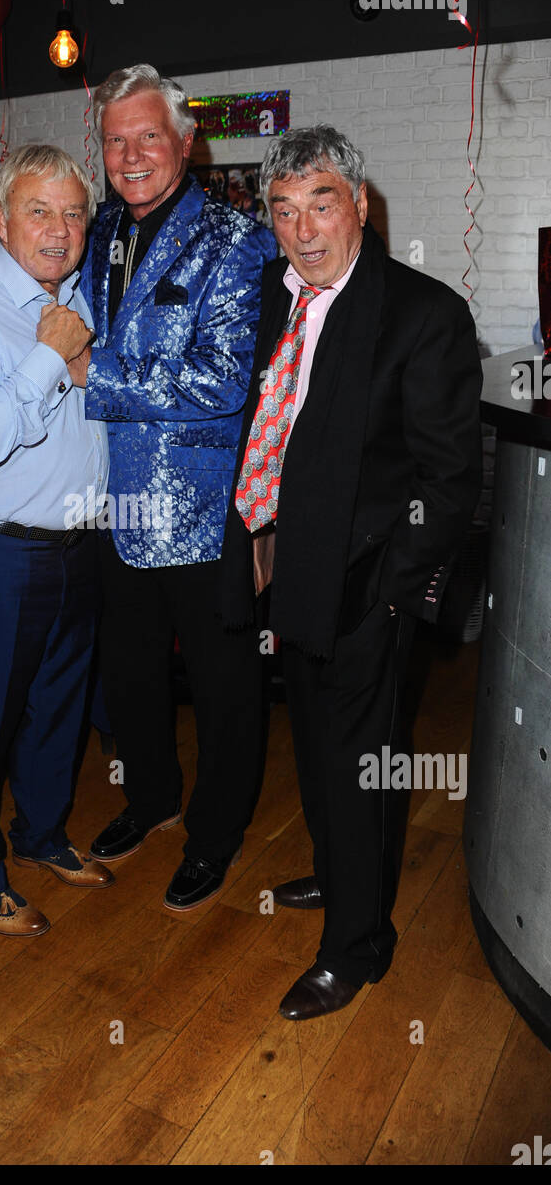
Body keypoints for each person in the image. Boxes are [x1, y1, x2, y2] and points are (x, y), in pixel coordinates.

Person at [0, 64, 280, 913]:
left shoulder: (238, 241)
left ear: (186, 142)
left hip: (199, 514)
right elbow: (14, 288)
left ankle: (213, 833)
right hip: (106, 524)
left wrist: (85, 366)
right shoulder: (99, 236)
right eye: (114, 140)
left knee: (221, 689)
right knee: (123, 684)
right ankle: (146, 800)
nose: (130, 154)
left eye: (147, 135)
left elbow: (224, 381)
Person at [219, 125, 483, 1020]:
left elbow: (449, 482)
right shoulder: (272, 294)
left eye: (320, 203)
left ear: (358, 206)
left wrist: (392, 593)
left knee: (363, 757)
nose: (301, 229)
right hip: (289, 563)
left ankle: (360, 944)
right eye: (284, 211)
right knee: (317, 747)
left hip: (370, 579)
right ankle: (340, 880)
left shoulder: (423, 313)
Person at [0, 144, 113, 941]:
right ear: (0, 219)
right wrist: (50, 354)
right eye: (38, 210)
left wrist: (81, 354)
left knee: (55, 713)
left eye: (74, 211)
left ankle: (39, 835)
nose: (59, 228)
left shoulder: (87, 297)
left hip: (81, 546)